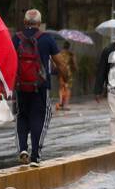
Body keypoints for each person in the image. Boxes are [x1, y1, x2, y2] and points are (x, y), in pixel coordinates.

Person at [11, 9, 61, 165]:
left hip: (20, 87)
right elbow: (60, 63)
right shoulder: (47, 39)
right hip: (41, 87)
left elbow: (9, 62)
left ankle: (22, 149)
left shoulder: (16, 38)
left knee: (22, 116)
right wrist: (64, 75)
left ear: (25, 22)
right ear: (39, 23)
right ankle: (35, 156)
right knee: (40, 117)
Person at [54, 41, 75, 111]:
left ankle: (60, 103)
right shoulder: (71, 54)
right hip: (68, 72)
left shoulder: (59, 53)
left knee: (61, 88)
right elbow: (74, 65)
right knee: (68, 88)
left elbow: (55, 62)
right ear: (69, 47)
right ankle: (65, 104)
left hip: (60, 72)